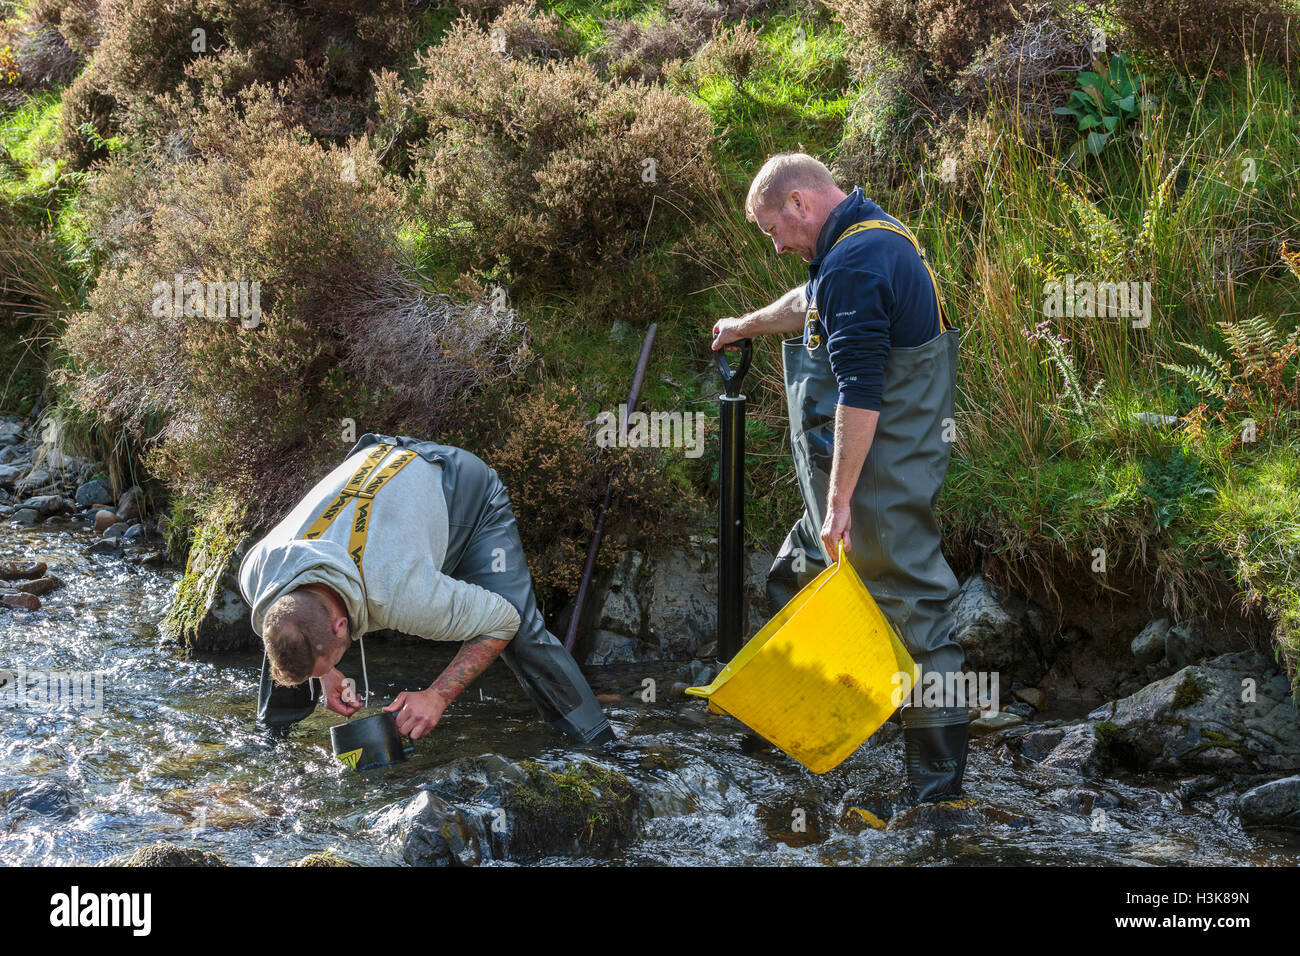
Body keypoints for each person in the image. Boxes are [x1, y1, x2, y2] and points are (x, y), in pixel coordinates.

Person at [710, 153, 969, 805]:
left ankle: (939, 794)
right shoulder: (857, 241)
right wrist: (747, 325)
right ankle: (812, 726)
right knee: (794, 575)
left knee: (916, 612)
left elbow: (858, 391)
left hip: (881, 476)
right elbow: (810, 302)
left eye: (774, 229)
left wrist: (838, 505)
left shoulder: (856, 260)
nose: (776, 244)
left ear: (799, 202)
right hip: (850, 471)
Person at [237, 433, 615, 746]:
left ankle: (602, 745)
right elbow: (292, 622)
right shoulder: (260, 572)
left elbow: (504, 620)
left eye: (334, 659)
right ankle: (269, 741)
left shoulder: (400, 593)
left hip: (466, 496)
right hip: (376, 464)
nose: (335, 667)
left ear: (340, 627)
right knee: (294, 640)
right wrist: (324, 672)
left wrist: (437, 696)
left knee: (523, 635)